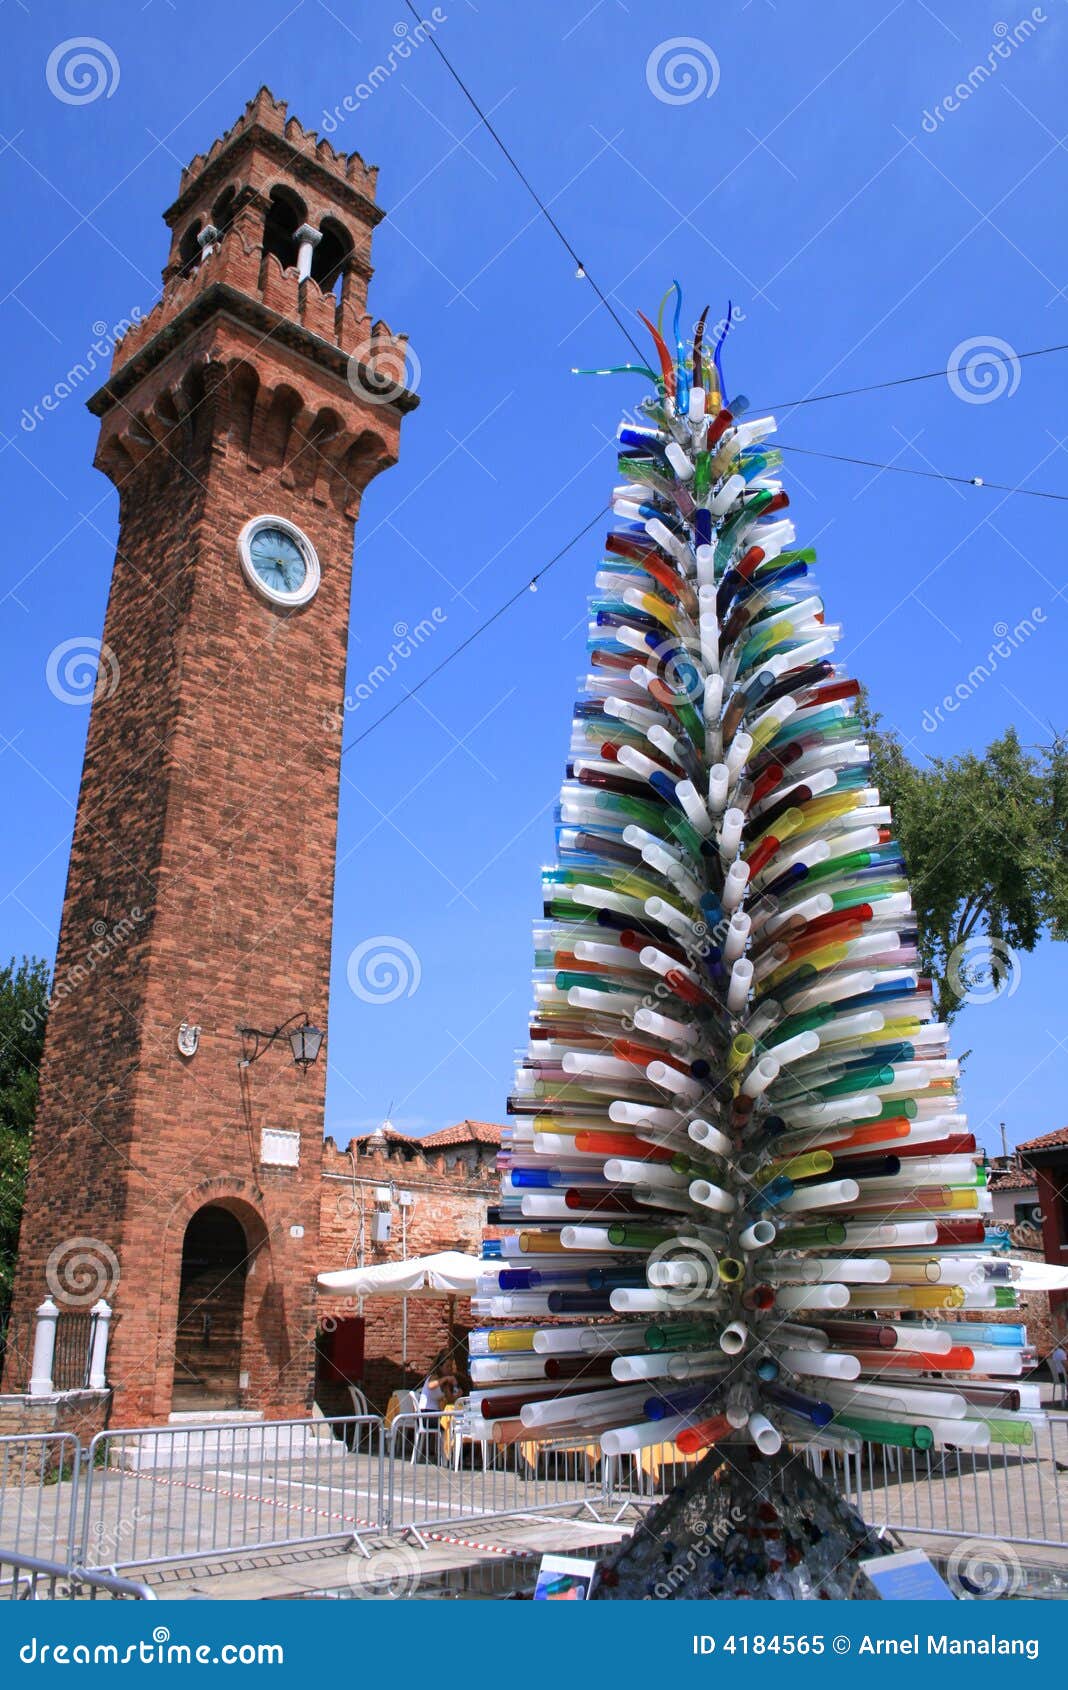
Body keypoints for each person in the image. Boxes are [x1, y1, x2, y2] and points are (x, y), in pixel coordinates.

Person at [1050, 1342, 1067, 1408]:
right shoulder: (1062, 1353)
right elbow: (1065, 1365)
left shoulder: (1055, 1352)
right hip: (1062, 1376)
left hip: (1057, 1375)